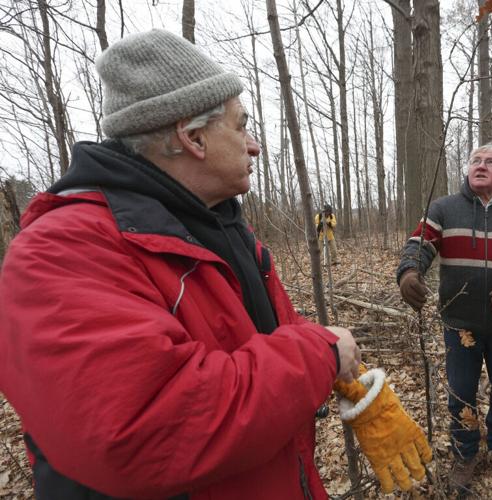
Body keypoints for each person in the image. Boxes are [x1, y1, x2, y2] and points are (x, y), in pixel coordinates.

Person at [0, 29, 363, 499]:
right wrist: (320, 354)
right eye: (240, 126)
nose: (254, 146)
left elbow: (264, 339)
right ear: (193, 138)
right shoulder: (62, 251)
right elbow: (145, 429)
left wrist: (337, 365)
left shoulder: (219, 230)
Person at [397, 143, 492, 494]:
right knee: (461, 392)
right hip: (459, 324)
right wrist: (409, 272)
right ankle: (465, 453)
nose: (481, 166)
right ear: (467, 169)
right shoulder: (444, 209)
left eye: (491, 162)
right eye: (475, 161)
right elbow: (418, 245)